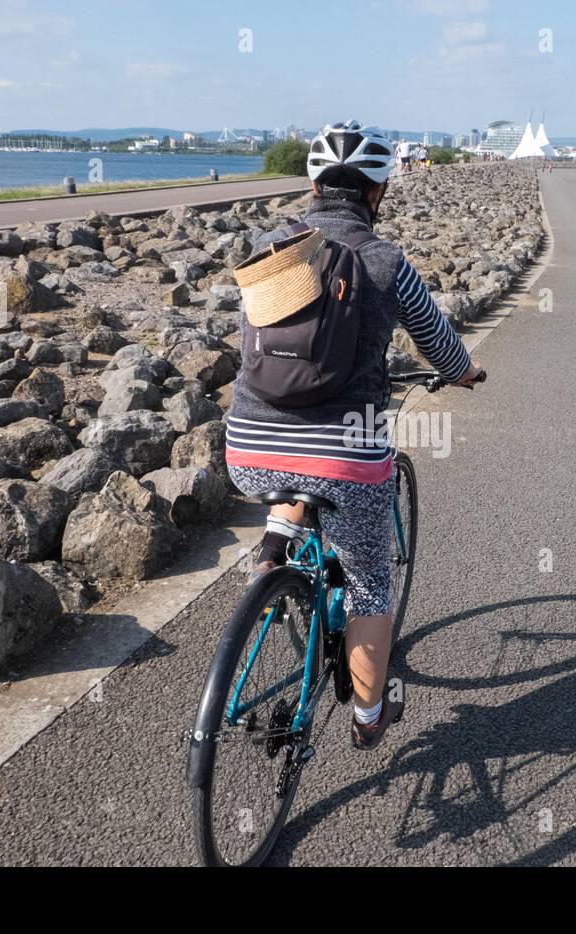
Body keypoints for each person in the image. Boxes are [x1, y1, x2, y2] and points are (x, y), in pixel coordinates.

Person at [226, 121, 484, 750]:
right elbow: (440, 346)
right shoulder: (387, 261)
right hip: (346, 453)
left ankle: (277, 538)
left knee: (293, 464)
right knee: (369, 582)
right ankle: (369, 718)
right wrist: (465, 373)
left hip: (248, 444)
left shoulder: (270, 247)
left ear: (313, 185)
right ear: (378, 192)